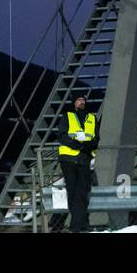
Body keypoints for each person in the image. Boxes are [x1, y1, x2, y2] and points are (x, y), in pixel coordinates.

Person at [56, 95, 97, 233]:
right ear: (74, 103)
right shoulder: (67, 116)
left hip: (84, 159)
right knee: (73, 192)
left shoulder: (92, 118)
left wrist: (87, 147)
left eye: (83, 100)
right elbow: (62, 136)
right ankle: (79, 225)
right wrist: (78, 146)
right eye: (79, 100)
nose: (82, 102)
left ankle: (78, 225)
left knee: (83, 191)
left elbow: (96, 138)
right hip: (68, 158)